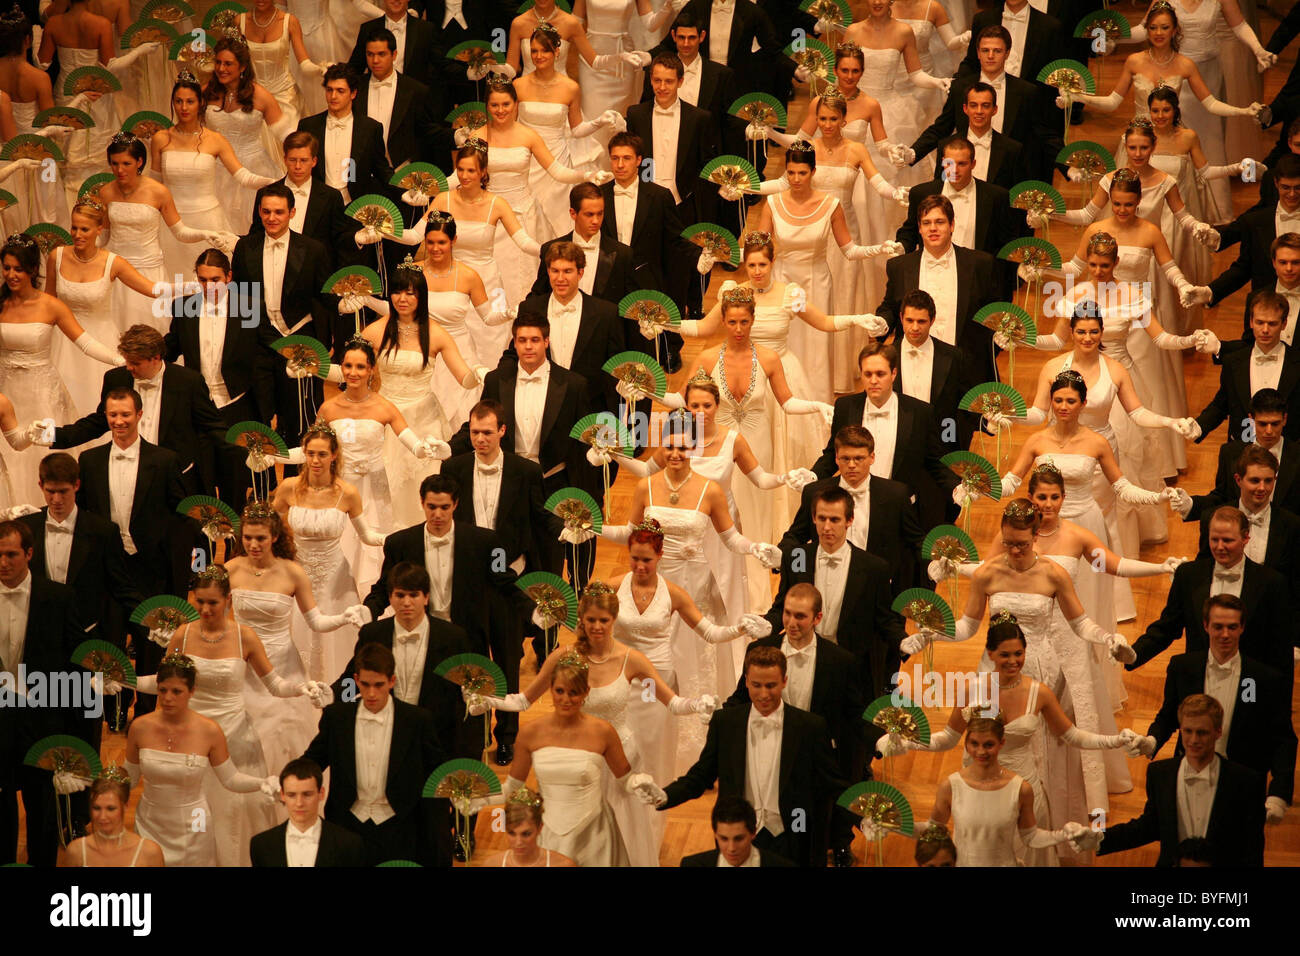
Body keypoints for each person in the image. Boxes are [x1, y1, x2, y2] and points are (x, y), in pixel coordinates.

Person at [474, 583, 722, 866]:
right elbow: (523, 701)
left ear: (614, 620)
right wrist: (489, 703)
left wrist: (697, 705)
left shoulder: (632, 660)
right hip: (573, 758)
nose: (597, 626)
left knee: (616, 841)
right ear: (582, 620)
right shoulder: (563, 658)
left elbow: (672, 702)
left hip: (620, 762)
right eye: (590, 620)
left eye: (603, 620)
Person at [891, 615, 1136, 865]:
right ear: (990, 654)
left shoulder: (1038, 692)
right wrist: (909, 742)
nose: (1013, 661)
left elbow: (1071, 734)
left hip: (1023, 788)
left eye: (1018, 654)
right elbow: (946, 738)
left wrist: (1115, 741)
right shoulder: (971, 689)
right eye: (1005, 655)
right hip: (976, 788)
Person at [136, 564, 311, 866]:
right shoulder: (183, 634)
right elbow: (162, 682)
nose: (204, 609)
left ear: (228, 600)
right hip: (189, 740)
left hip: (235, 739)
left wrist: (304, 688)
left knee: (233, 820)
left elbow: (275, 684)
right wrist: (121, 679)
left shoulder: (246, 637)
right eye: (199, 601)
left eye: (212, 602)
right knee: (195, 817)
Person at [600, 411, 780, 700]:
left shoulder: (710, 491)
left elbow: (730, 538)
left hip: (695, 583)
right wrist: (591, 528)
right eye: (669, 447)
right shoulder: (644, 486)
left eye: (682, 448)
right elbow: (628, 534)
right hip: (652, 580)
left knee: (693, 652)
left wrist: (756, 548)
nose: (675, 454)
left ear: (693, 448)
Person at [654, 644, 847, 867]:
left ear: (784, 681)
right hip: (736, 835)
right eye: (756, 685)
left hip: (794, 830)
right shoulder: (725, 723)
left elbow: (832, 783)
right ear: (746, 681)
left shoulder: (810, 727)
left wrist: (864, 816)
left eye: (771, 685)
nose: (764, 694)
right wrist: (665, 796)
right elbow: (701, 776)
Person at [362, 474, 520, 739]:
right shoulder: (400, 543)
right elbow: (383, 588)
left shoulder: (485, 542)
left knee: (471, 715)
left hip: (467, 635)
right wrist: (367, 610)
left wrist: (533, 609)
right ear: (422, 503)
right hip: (423, 635)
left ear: (455, 505)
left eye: (444, 507)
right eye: (431, 507)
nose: (437, 514)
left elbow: (504, 581)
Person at [723, 584, 866, 868]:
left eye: (800, 616)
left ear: (817, 618)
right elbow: (740, 699)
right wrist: (720, 717)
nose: (791, 622)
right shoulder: (760, 651)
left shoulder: (840, 661)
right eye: (787, 614)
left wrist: (877, 741)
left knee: (806, 835)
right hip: (765, 756)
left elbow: (854, 717)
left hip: (812, 765)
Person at [750, 143, 901, 401]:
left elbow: (850, 250)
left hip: (817, 285)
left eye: (802, 173)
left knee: (816, 349)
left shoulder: (831, 205)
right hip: (781, 284)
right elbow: (756, 250)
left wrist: (880, 248)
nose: (796, 179)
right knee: (782, 343)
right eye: (791, 173)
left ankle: (816, 407)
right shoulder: (772, 204)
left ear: (813, 172)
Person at [1127, 594, 1295, 825]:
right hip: (1190, 775)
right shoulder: (1183, 667)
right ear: (1205, 626)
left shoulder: (1261, 678)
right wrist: (1153, 739)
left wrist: (1278, 793)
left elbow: (1283, 738)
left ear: (1242, 628)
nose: (1225, 635)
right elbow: (1169, 714)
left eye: (1232, 627)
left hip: (1242, 783)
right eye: (1218, 627)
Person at [227, 503, 367, 776]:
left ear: (275, 537)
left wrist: (344, 617)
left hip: (282, 663)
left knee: (281, 731)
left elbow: (315, 621)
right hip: (242, 663)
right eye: (247, 538)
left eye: (260, 538)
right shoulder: (231, 569)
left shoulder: (292, 572)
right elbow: (216, 620)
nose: (253, 545)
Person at [72, 388, 189, 711]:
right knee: (110, 642)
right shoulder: (89, 460)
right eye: (113, 415)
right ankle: (114, 712)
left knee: (151, 647)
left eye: (125, 414)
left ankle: (149, 714)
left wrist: (178, 578)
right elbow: (81, 516)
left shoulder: (164, 460)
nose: (119, 421)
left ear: (139, 415)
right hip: (107, 571)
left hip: (150, 570)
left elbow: (181, 521)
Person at [497, 651, 663, 866]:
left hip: (595, 834)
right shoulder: (530, 732)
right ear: (551, 690)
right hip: (548, 832)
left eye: (573, 692)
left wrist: (640, 784)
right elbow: (511, 788)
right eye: (559, 691)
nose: (565, 699)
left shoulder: (603, 732)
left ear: (586, 692)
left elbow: (625, 778)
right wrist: (477, 799)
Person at [21, 453, 145, 731]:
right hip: (38, 644)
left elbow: (120, 585)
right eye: (50, 491)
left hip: (87, 644)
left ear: (76, 485)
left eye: (63, 491)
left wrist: (151, 617)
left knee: (85, 727)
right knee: (39, 727)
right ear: (40, 485)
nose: (56, 500)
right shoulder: (27, 528)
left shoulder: (102, 531)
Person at [467, 77, 615, 306]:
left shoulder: (528, 135)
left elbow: (556, 171)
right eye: (494, 105)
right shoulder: (477, 136)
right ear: (486, 106)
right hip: (487, 215)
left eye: (505, 104)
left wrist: (585, 176)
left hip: (523, 214)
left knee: (522, 278)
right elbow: (463, 175)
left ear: (516, 104)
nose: (500, 110)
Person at [353, 263, 480, 529]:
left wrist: (481, 373)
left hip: (424, 420)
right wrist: (313, 368)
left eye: (410, 293)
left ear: (421, 297)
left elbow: (464, 378)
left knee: (424, 483)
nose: (403, 298)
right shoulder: (376, 331)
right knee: (385, 488)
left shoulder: (435, 333)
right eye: (398, 292)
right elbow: (349, 370)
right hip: (384, 419)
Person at [125, 652, 280, 867]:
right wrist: (88, 779)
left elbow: (230, 779)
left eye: (177, 691)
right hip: (150, 822)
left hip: (195, 823)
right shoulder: (140, 727)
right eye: (162, 690)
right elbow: (128, 780)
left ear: (192, 692)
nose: (168, 698)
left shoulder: (209, 731)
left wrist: (261, 782)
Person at [0, 233, 123, 504]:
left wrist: (119, 361)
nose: (11, 274)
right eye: (6, 267)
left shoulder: (51, 305)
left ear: (32, 270)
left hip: (42, 392)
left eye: (18, 268)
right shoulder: (1, 305)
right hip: (6, 393)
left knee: (45, 450)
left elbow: (86, 342)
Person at [303, 641, 450, 866]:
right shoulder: (336, 718)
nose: (371, 693)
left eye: (379, 685)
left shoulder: (417, 721)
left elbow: (435, 775)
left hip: (400, 826)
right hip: (347, 825)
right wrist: (286, 781)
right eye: (365, 684)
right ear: (355, 680)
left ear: (392, 681)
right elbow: (313, 761)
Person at [44, 325, 228, 498]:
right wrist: (51, 435)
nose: (129, 367)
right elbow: (99, 422)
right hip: (129, 475)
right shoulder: (116, 378)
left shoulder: (189, 382)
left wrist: (245, 451)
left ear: (156, 358)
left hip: (179, 477)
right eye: (127, 361)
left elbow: (213, 427)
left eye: (135, 363)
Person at [0, 519, 87, 866]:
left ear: (29, 554)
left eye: (11, 555)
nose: (3, 563)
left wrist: (74, 734)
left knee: (42, 811)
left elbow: (77, 664)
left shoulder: (59, 598)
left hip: (43, 722)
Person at [231, 183, 336, 466]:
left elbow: (325, 300)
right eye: (266, 211)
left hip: (300, 342)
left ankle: (296, 485)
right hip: (260, 344)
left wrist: (323, 347)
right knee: (260, 418)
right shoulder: (245, 247)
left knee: (299, 417)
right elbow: (241, 299)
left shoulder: (313, 249)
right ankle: (263, 488)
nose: (272, 218)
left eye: (279, 212)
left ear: (291, 212)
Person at [768, 485, 905, 704]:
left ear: (849, 520)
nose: (827, 527)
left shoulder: (873, 567)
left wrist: (904, 642)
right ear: (813, 518)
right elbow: (781, 604)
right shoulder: (798, 557)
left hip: (852, 667)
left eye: (834, 519)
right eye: (821, 518)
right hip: (802, 661)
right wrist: (766, 624)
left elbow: (885, 619)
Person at [273, 421, 384, 684]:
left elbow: (367, 535)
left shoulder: (347, 493)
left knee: (336, 642)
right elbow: (271, 527)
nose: (315, 460)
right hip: (298, 574)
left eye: (322, 454)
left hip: (335, 578)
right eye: (310, 453)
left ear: (334, 455)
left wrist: (394, 539)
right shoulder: (289, 487)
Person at [1097, 694, 1266, 867]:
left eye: (1202, 733)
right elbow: (1149, 826)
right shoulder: (1160, 773)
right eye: (1188, 731)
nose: (1193, 740)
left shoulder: (1245, 782)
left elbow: (1252, 848)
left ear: (1218, 732)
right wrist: (1098, 839)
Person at [1129, 506, 1293, 681]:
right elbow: (1168, 626)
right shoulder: (1188, 575)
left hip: (1248, 682)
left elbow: (1280, 649)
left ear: (1246, 538)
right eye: (1214, 539)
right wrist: (1133, 654)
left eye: (1227, 540)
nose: (1220, 547)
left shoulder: (1271, 583)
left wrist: (1281, 705)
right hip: (1200, 678)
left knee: (1247, 705)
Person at [165, 248, 273, 511]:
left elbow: (272, 348)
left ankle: (234, 547)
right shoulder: (183, 306)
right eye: (202, 280)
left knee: (234, 485)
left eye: (214, 280)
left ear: (229, 277)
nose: (208, 286)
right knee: (200, 485)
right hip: (198, 409)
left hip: (236, 407)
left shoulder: (249, 307)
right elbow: (171, 348)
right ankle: (206, 548)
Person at [813, 340, 959, 531]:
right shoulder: (845, 407)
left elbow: (934, 461)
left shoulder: (920, 412)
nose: (873, 381)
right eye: (868, 374)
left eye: (880, 374)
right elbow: (834, 454)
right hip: (854, 511)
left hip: (901, 512)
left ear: (893, 374)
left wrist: (956, 487)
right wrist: (812, 475)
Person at [926, 713, 1100, 867]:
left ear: (1001, 743)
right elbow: (930, 830)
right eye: (974, 743)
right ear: (966, 744)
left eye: (988, 745)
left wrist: (1064, 835)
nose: (981, 751)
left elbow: (1031, 837)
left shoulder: (1021, 789)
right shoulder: (950, 786)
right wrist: (899, 824)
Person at [46, 197, 166, 415]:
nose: (77, 234)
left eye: (84, 229)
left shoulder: (113, 262)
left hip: (101, 338)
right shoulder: (57, 256)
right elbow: (48, 303)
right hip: (62, 343)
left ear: (99, 229)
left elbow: (152, 288)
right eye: (74, 228)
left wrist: (195, 286)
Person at [100, 133, 227, 337]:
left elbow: (180, 231)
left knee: (150, 330)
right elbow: (104, 236)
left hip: (148, 269)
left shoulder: (158, 192)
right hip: (115, 271)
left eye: (126, 163)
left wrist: (205, 233)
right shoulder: (106, 192)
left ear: (140, 161)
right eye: (114, 164)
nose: (119, 170)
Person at [152, 70, 272, 278]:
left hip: (207, 217)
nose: (183, 107)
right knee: (176, 278)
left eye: (190, 101)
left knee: (211, 277)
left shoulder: (214, 139)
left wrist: (275, 181)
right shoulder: (161, 138)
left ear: (200, 103)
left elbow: (243, 176)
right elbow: (154, 185)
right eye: (178, 101)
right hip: (172, 222)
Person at [430, 143, 543, 360]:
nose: (464, 175)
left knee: (494, 336)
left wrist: (547, 250)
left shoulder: (497, 203)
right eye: (460, 169)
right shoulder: (444, 200)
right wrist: (382, 229)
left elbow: (523, 241)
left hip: (489, 281)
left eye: (470, 170)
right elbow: (416, 236)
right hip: (451, 281)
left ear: (483, 172)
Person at [875, 194, 999, 384]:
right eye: (927, 223)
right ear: (919, 228)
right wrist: (882, 323)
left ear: (951, 225)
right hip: (914, 367)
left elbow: (994, 314)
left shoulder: (980, 264)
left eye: (939, 222)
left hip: (966, 369)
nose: (933, 228)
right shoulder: (899, 267)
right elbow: (890, 307)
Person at [783, 428, 923, 595]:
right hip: (826, 585)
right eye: (845, 458)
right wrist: (780, 555)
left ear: (872, 458)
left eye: (858, 458)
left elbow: (916, 540)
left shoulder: (896, 495)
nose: (851, 465)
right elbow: (797, 535)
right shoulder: (814, 492)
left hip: (880, 590)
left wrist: (933, 565)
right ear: (836, 458)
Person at [516, 25, 618, 239]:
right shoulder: (519, 85)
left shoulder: (570, 87)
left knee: (559, 221)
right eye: (534, 51)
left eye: (544, 50)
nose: (538, 56)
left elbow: (577, 129)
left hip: (557, 158)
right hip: (527, 161)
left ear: (557, 51)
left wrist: (599, 121)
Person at [912, 27, 1049, 182]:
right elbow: (941, 128)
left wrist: (1069, 166)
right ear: (977, 53)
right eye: (985, 50)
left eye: (997, 51)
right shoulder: (960, 88)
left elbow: (1044, 135)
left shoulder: (1026, 92)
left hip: (1006, 177)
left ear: (1007, 53)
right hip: (962, 172)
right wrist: (913, 152)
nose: (990, 56)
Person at [519, 239, 627, 425]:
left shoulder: (606, 313)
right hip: (538, 410)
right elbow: (516, 353)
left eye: (567, 271)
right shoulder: (530, 308)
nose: (560, 278)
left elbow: (614, 369)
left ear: (580, 273)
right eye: (555, 271)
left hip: (591, 413)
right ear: (548, 272)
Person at [201, 37, 291, 230]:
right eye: (218, 62)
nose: (221, 68)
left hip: (254, 166)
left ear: (242, 67)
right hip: (215, 168)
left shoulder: (260, 95)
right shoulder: (206, 92)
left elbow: (286, 135)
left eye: (228, 64)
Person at [896, 137, 1023, 270]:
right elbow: (910, 231)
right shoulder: (921, 193)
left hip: (978, 277)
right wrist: (901, 246)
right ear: (943, 162)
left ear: (973, 164)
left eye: (962, 164)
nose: (954, 170)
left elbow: (1006, 243)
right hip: (932, 272)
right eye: (949, 163)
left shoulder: (996, 197)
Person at [1191, 291, 1300, 443]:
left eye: (1272, 323)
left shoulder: (1296, 363)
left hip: (1288, 452)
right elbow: (1221, 404)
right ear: (1251, 322)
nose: (1265, 330)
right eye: (1260, 322)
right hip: (1242, 448)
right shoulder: (1233, 361)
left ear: (1284, 324)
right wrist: (1198, 426)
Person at [1177, 388, 1300, 519]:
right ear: (1251, 419)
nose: (1269, 431)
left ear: (1285, 419)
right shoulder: (1230, 453)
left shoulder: (1297, 455)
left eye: (1275, 424)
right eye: (1262, 424)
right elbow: (1222, 498)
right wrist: (1190, 505)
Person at [248, 132, 355, 272]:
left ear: (314, 161)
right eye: (293, 160)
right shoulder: (265, 193)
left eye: (304, 160)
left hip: (316, 273)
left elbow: (339, 242)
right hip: (272, 268)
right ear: (285, 159)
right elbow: (256, 235)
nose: (298, 166)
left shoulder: (331, 196)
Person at [1188, 446, 1300, 578]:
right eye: (1255, 480)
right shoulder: (1211, 518)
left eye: (1268, 481)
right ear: (1238, 480)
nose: (1262, 488)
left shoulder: (1292, 525)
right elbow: (1205, 568)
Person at [889, 289, 979, 452]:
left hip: (942, 441)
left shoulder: (953, 356)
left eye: (921, 321)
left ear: (932, 320)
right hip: (896, 443)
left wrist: (955, 444)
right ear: (901, 318)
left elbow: (967, 402)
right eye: (909, 320)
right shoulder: (886, 357)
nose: (914, 327)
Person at [353, 29, 449, 173]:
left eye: (381, 54)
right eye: (370, 54)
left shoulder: (416, 90)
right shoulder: (354, 88)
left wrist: (455, 136)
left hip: (403, 172)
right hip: (364, 172)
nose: (375, 61)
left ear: (394, 55)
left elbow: (428, 133)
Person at [1210, 154, 1300, 306]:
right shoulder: (1255, 221)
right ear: (1276, 183)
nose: (1292, 194)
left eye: (1298, 188)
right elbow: (1244, 268)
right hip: (1265, 308)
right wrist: (1211, 292)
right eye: (1286, 187)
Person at [297, 64, 393, 204]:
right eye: (329, 90)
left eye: (340, 91)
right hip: (317, 206)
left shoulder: (371, 128)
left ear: (353, 93)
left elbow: (382, 170)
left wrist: (405, 191)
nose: (333, 96)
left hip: (356, 207)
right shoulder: (308, 126)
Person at [249, 757, 368, 867]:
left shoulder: (349, 845)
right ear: (283, 795)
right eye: (292, 795)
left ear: (321, 793)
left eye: (307, 794)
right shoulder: (261, 845)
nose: (299, 803)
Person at [530, 184, 635, 308]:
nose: (596, 221)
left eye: (600, 214)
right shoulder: (550, 249)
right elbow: (539, 295)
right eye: (589, 215)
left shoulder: (622, 254)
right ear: (573, 213)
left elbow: (630, 305)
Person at [58, 774, 164, 868]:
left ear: (125, 806)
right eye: (97, 808)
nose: (102, 816)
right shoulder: (76, 851)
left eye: (110, 808)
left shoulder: (150, 852)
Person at [679, 796, 796, 867]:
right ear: (715, 834)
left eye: (738, 838)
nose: (731, 848)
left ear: (753, 833)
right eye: (724, 839)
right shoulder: (691, 865)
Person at [347, 0, 439, 89]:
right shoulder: (368, 29)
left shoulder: (425, 29)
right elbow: (355, 68)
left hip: (413, 99)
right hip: (376, 95)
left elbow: (436, 69)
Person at [481, 788, 577, 867]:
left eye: (526, 834)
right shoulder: (492, 864)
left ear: (540, 828)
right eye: (512, 833)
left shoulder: (563, 865)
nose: (518, 842)